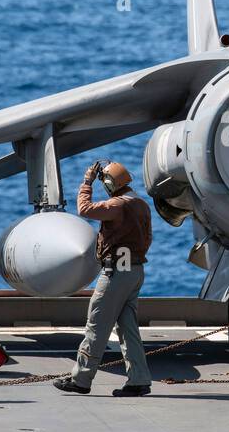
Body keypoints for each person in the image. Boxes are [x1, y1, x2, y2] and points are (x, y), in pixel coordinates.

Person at [53, 160, 154, 397]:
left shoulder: (117, 205)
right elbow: (147, 238)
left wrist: (87, 182)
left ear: (111, 184)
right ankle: (139, 379)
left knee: (97, 324)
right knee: (128, 329)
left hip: (116, 273)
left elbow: (84, 209)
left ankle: (81, 379)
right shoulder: (141, 205)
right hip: (135, 271)